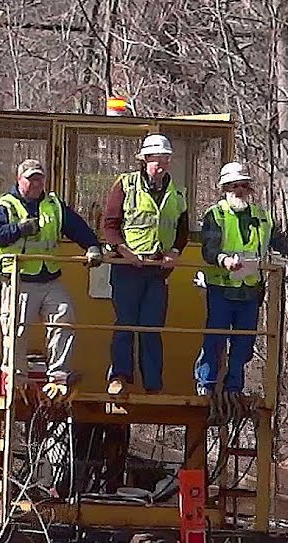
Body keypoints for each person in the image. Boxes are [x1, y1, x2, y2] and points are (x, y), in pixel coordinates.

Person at [0, 159, 104, 392]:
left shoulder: (53, 204)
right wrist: (19, 229)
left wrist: (92, 246)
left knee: (64, 317)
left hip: (49, 277)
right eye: (31, 179)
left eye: (39, 178)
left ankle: (58, 377)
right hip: (17, 279)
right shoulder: (5, 206)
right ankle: (15, 379)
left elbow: (77, 227)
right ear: (20, 180)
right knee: (16, 329)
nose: (36, 183)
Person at [194, 162, 288, 396]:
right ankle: (206, 385)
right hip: (221, 287)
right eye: (233, 185)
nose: (239, 190)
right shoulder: (216, 215)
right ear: (224, 188)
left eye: (243, 185)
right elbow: (208, 249)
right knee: (215, 339)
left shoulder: (261, 216)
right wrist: (224, 260)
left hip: (249, 290)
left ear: (249, 188)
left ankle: (233, 388)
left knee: (244, 344)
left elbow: (277, 239)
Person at [101, 133, 189, 396]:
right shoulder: (126, 185)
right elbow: (109, 224)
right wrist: (124, 251)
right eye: (154, 160)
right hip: (127, 268)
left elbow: (181, 230)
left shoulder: (177, 192)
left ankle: (153, 383)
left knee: (151, 326)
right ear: (144, 161)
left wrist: (174, 252)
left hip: (157, 270)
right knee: (126, 323)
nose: (159, 165)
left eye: (164, 160)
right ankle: (119, 377)